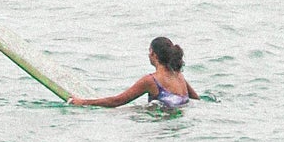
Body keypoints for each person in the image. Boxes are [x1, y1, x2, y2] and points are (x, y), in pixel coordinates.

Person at [68, 34, 199, 111]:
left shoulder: (151, 81)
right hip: (177, 119)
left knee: (121, 113)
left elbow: (117, 101)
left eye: (149, 51)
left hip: (161, 123)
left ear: (153, 54)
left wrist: (83, 102)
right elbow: (196, 99)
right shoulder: (179, 75)